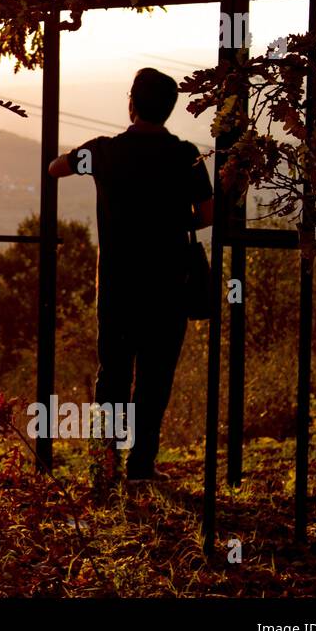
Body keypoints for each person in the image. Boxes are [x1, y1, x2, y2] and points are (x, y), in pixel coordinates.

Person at [47, 67, 214, 485]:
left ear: (132, 104)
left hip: (119, 286)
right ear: (170, 109)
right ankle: (142, 465)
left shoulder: (103, 152)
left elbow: (56, 169)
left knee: (113, 375)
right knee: (155, 377)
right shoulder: (185, 154)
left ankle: (104, 466)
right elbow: (208, 215)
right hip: (169, 284)